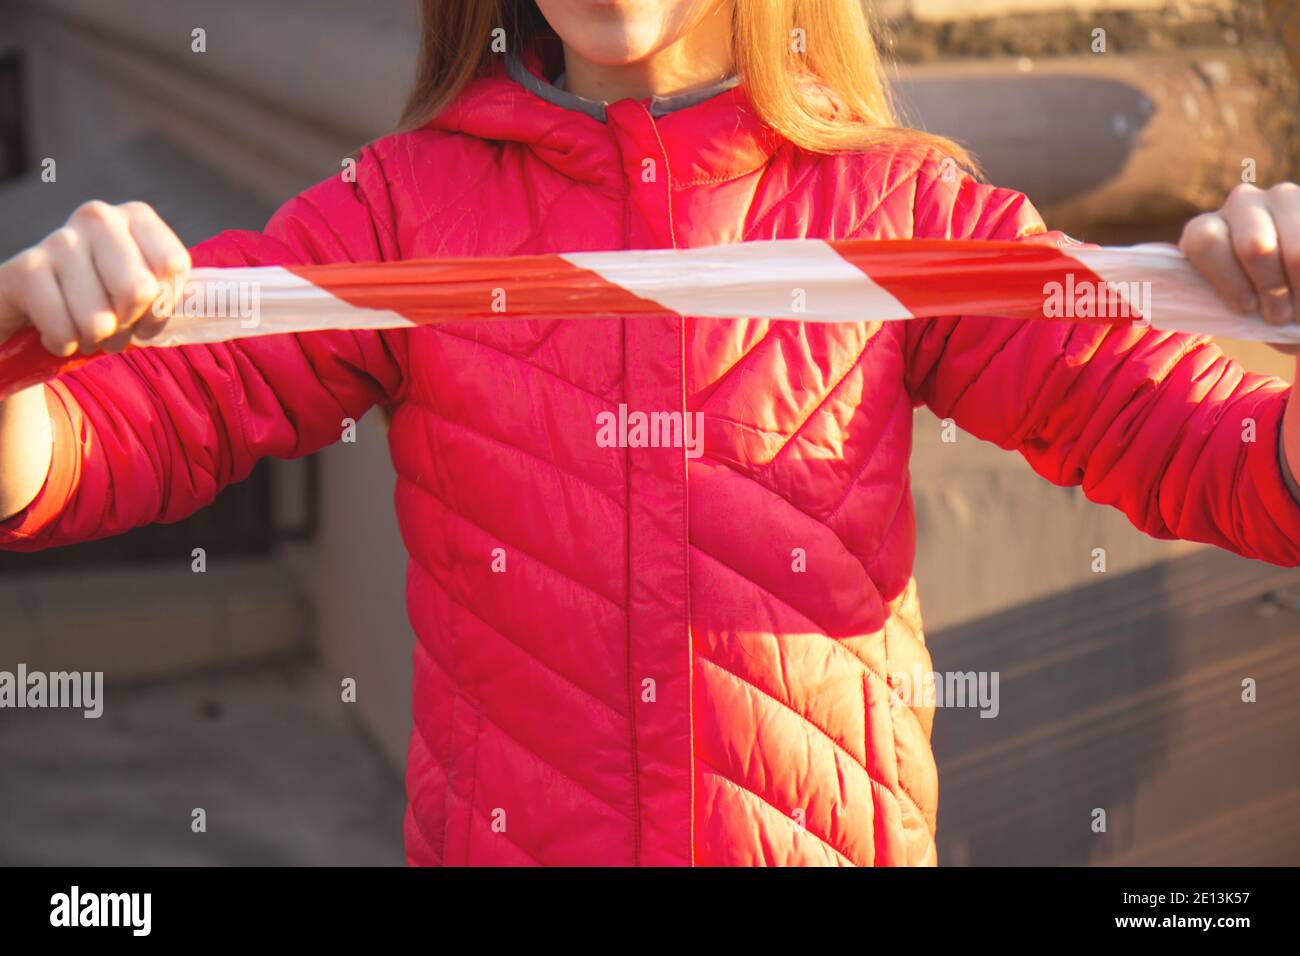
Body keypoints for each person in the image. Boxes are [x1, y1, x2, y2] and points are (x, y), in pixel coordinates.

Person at [1, 0, 1299, 866]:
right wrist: (24, 353)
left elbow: (1199, 442)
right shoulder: (398, 207)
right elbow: (114, 435)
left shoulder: (900, 205)